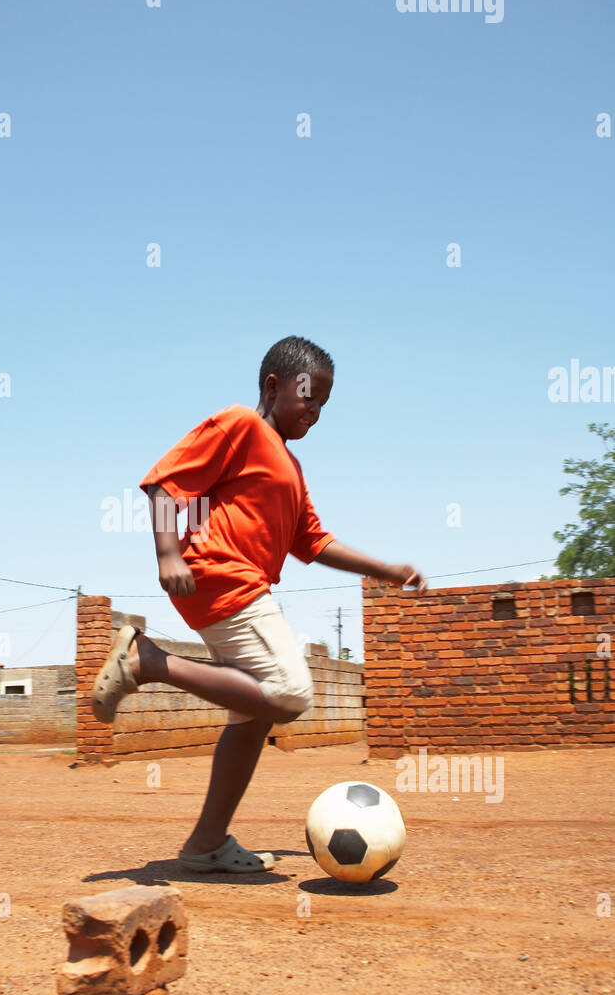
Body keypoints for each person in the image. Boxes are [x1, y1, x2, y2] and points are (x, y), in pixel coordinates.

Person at [91, 335, 426, 873]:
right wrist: (166, 553)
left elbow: (313, 542)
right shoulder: (240, 425)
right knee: (290, 692)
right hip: (224, 578)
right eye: (307, 397)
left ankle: (205, 843)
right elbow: (163, 486)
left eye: (323, 404)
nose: (315, 412)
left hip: (235, 587)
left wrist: (383, 568)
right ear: (273, 386)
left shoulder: (291, 468)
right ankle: (147, 661)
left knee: (250, 717)